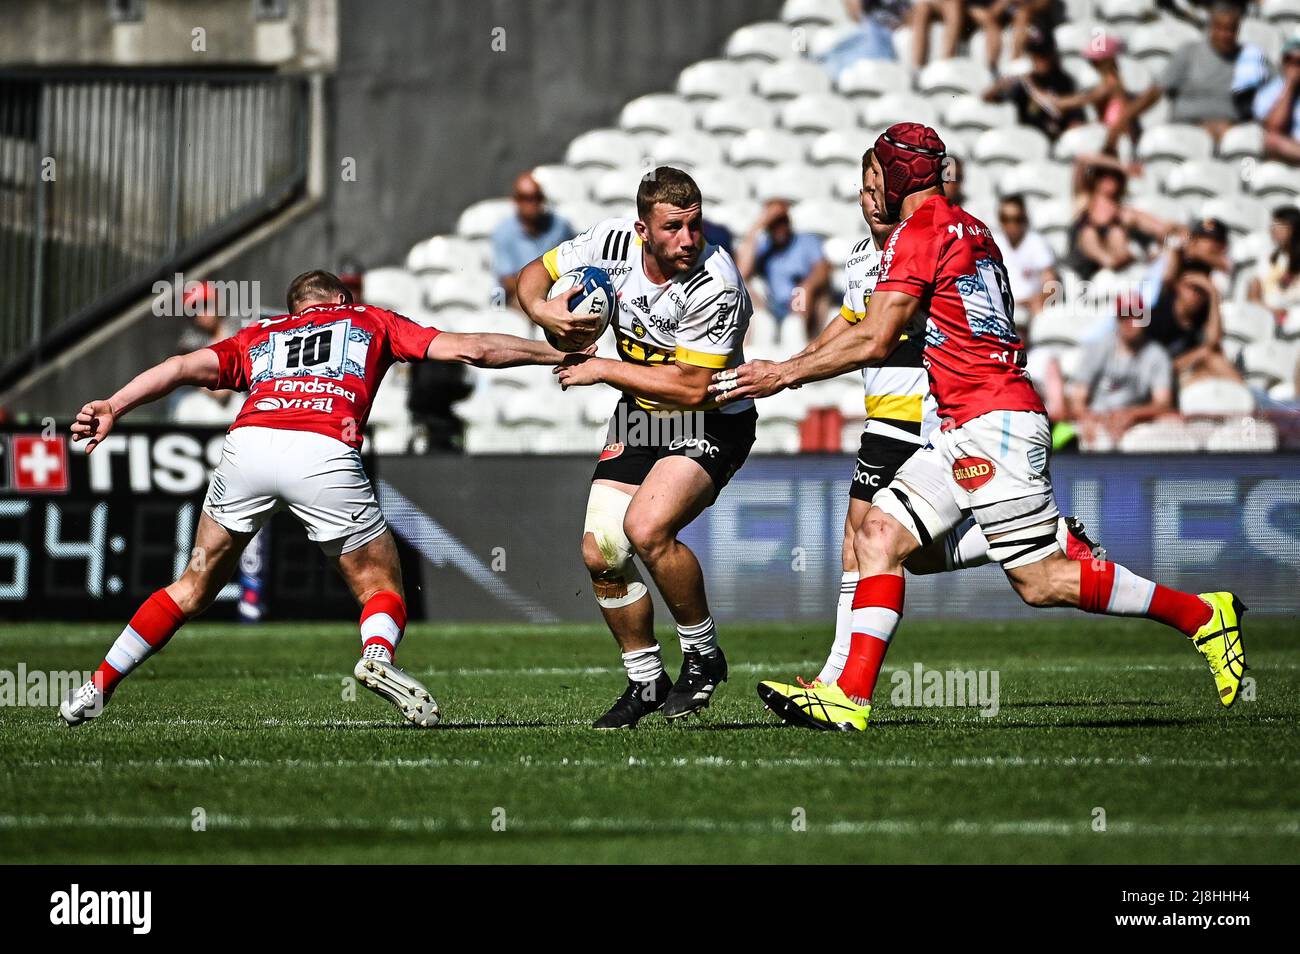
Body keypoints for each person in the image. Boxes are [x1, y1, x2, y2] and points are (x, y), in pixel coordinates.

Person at [711, 123, 1247, 730]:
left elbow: (877, 335)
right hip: (966, 420)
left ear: (900, 179)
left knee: (1042, 583)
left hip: (993, 422)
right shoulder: (974, 228)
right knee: (879, 535)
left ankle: (1202, 616)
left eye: (879, 175)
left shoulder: (920, 231)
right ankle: (849, 696)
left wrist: (784, 373)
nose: (872, 188)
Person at [60, 269, 573, 728]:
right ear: (341, 300)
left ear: (294, 311)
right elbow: (473, 349)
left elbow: (178, 367)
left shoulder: (262, 334)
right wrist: (558, 353)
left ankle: (98, 684)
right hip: (323, 449)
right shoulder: (369, 319)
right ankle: (377, 654)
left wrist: (115, 404)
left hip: (248, 445)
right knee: (379, 585)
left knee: (192, 587)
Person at [780, 147, 1102, 691]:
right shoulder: (864, 258)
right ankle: (1044, 537)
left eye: (877, 185)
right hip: (883, 414)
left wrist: (789, 373)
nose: (872, 200)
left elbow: (899, 330)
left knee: (862, 541)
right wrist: (794, 365)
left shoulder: (928, 242)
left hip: (920, 413)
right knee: (886, 547)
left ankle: (836, 681)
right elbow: (853, 321)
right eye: (864, 190)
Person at [517, 168, 757, 729]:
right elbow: (533, 275)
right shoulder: (609, 243)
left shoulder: (714, 281)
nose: (688, 240)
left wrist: (600, 366)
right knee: (601, 552)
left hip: (710, 418)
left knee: (647, 529)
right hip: (641, 417)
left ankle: (702, 655)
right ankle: (646, 678)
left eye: (695, 226)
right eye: (673, 227)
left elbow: (693, 386)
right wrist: (543, 311)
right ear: (642, 229)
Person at [1104, 2, 1272, 153]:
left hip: (1231, 130)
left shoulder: (1251, 58)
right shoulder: (1188, 53)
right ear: (1211, 28)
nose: (1225, 34)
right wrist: (1123, 119)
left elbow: (1274, 92)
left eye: (1230, 29)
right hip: (1186, 127)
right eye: (1220, 28)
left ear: (1237, 30)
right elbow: (1155, 93)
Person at [1067, 298, 1175, 446]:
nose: (1129, 322)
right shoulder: (1099, 348)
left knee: (1170, 428)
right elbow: (1077, 398)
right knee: (1098, 441)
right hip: (1098, 419)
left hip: (1138, 423)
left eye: (1135, 316)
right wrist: (1087, 417)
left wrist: (1132, 414)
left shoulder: (1157, 355)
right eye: (1124, 317)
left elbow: (1163, 403)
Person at [734, 199, 831, 337]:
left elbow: (823, 270)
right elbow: (742, 273)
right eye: (773, 224)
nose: (779, 228)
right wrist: (759, 224)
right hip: (774, 305)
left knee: (811, 294)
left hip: (803, 303)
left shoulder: (807, 241)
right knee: (742, 287)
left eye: (782, 222)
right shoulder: (765, 247)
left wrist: (807, 286)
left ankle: (805, 341)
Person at [982, 26, 1086, 142]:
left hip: (1056, 140)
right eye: (1035, 55)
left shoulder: (1065, 82)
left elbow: (1077, 118)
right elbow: (987, 97)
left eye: (1043, 55)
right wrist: (1000, 85)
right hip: (1026, 139)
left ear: (1052, 55)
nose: (1040, 60)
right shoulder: (1022, 83)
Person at [1147, 260, 1241, 384]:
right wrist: (1201, 353)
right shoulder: (1159, 313)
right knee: (1209, 356)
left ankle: (1245, 396)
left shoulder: (1203, 313)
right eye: (1193, 288)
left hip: (1189, 372)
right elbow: (1152, 364)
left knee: (1212, 365)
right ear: (1179, 285)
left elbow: (1214, 341)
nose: (1196, 296)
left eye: (1202, 291)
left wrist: (1213, 294)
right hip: (1159, 376)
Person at [491, 171, 574, 308]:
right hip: (515, 295)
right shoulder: (504, 232)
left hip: (554, 290)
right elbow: (507, 280)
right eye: (525, 198)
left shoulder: (560, 227)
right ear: (516, 201)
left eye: (537, 197)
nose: (532, 203)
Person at [993, 194, 1057, 323]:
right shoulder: (992, 243)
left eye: (1017, 219)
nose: (1011, 225)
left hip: (1030, 311)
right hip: (999, 308)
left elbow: (1051, 286)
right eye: (1006, 219)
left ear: (1025, 219)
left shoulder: (1036, 243)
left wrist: (1037, 300)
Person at [1253, 32, 1300, 166]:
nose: (1294, 66)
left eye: (1299, 62)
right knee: (1272, 141)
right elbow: (1275, 127)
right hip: (1284, 154)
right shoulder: (1270, 90)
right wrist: (1290, 85)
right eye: (1289, 59)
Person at [1247, 205, 1300, 313]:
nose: (1274, 229)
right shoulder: (1268, 255)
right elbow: (1255, 288)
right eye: (1274, 224)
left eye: (1281, 225)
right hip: (1265, 313)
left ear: (1294, 228)